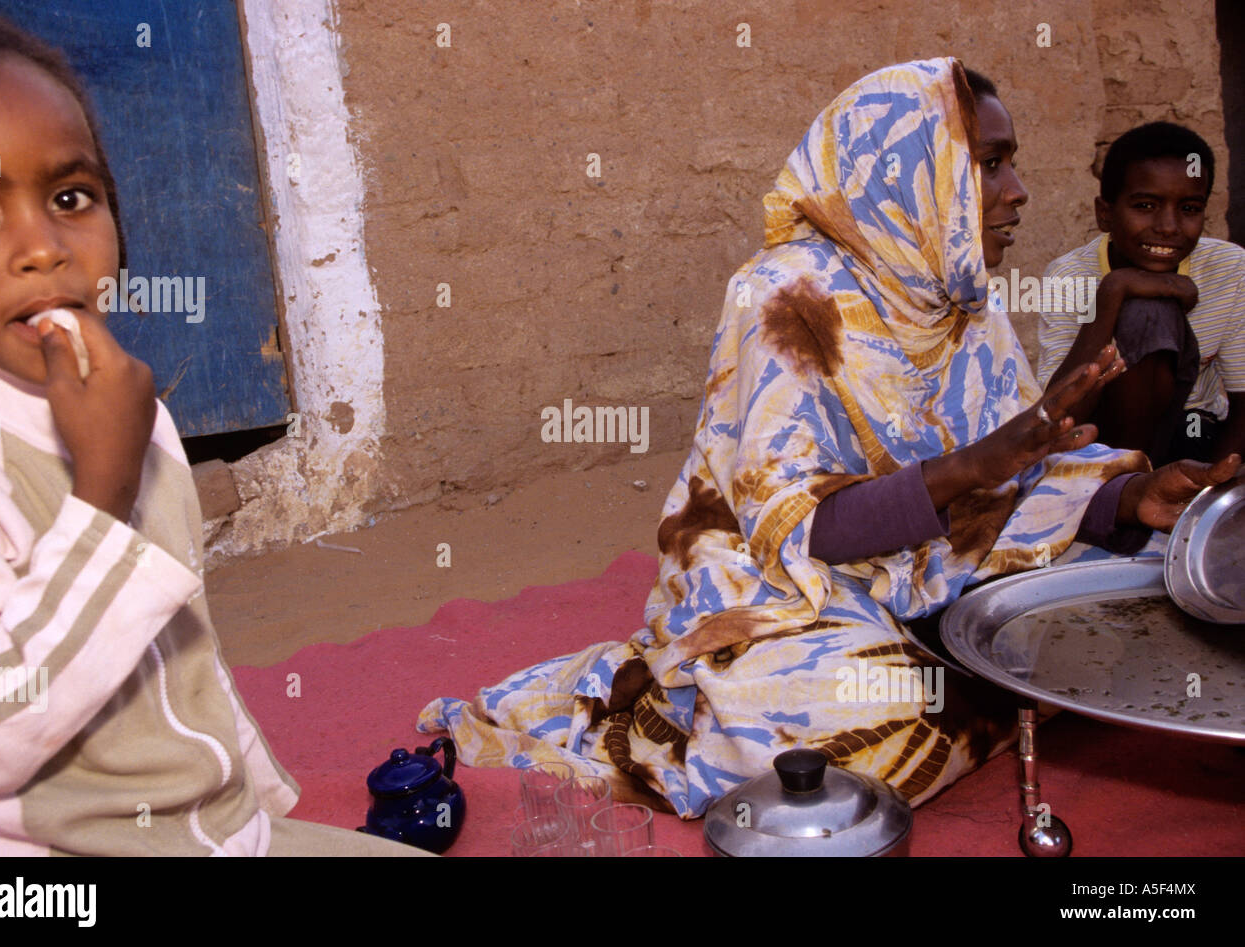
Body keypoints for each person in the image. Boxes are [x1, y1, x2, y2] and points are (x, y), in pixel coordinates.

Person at [419, 59, 1239, 819]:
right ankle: (982, 690)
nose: (1017, 190)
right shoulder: (781, 298)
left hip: (943, 556)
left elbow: (1027, 476)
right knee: (858, 704)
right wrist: (974, 464)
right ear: (901, 167)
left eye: (1009, 162)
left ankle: (978, 679)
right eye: (988, 163)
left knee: (1135, 582)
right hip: (791, 583)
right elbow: (803, 527)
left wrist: (1133, 495)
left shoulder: (959, 296)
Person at [0, 13, 426, 856]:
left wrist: (256, 803)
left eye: (70, 198)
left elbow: (179, 640)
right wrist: (103, 493)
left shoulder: (125, 402)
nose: (42, 248)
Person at [1036, 122, 1245, 466]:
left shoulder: (1228, 267)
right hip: (1103, 441)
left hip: (1193, 435)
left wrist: (1213, 490)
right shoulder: (1069, 275)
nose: (1168, 226)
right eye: (1145, 206)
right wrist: (1114, 292)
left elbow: (1244, 406)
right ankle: (1128, 490)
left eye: (1189, 209)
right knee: (1148, 313)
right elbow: (1058, 416)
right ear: (1105, 214)